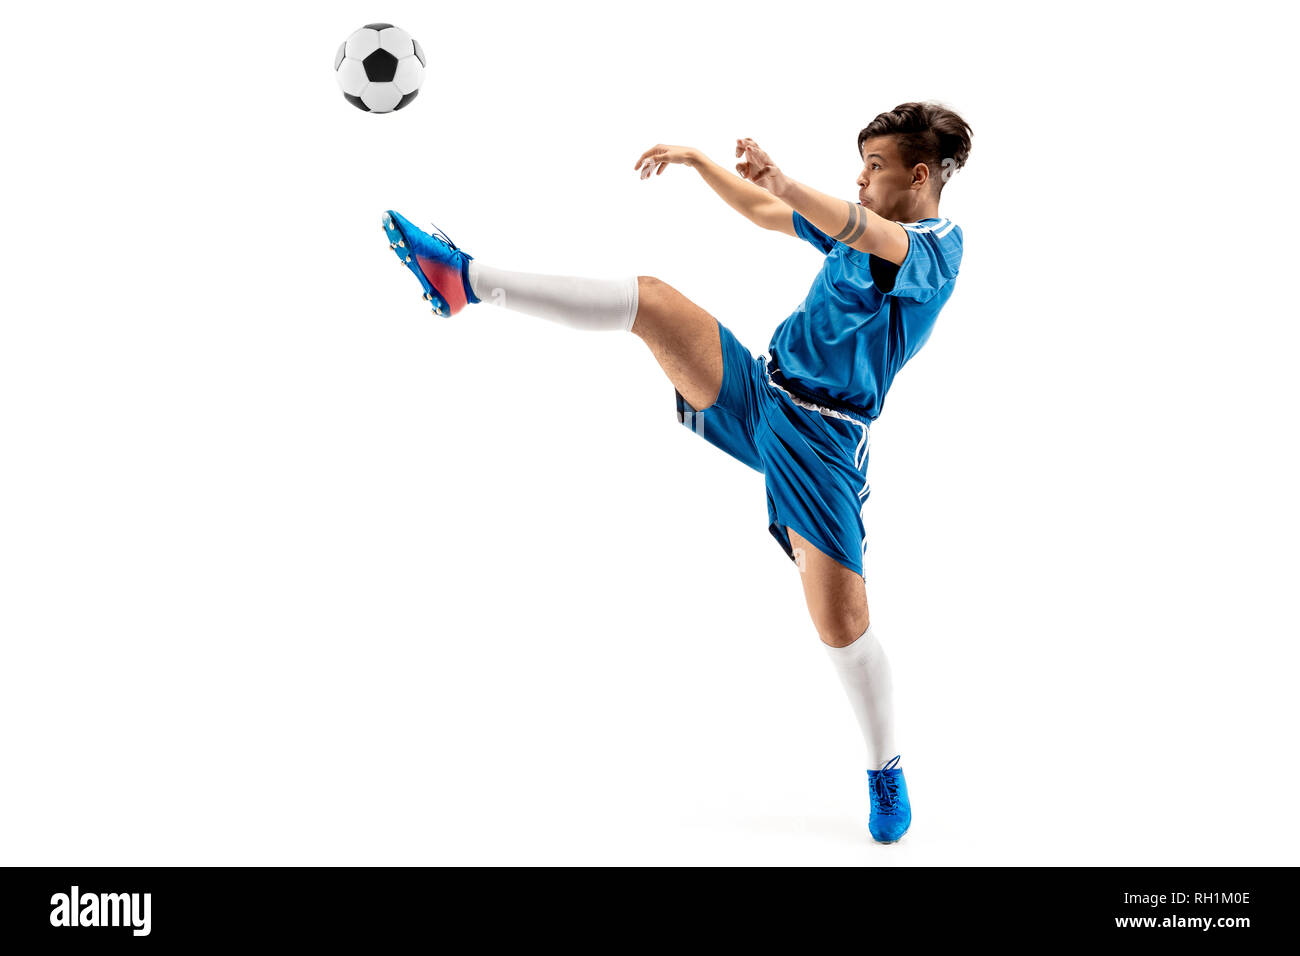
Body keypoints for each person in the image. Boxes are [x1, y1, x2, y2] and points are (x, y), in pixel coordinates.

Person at [381, 101, 972, 843]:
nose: (860, 179)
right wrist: (702, 164)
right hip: (766, 393)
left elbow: (863, 229)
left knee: (842, 627)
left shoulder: (936, 247)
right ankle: (464, 280)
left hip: (824, 443)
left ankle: (884, 767)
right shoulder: (856, 224)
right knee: (654, 300)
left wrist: (790, 181)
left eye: (875, 168)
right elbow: (768, 209)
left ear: (920, 178)